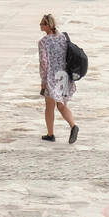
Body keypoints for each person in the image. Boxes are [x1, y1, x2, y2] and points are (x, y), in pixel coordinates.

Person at [38, 13, 79, 144]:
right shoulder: (63, 38)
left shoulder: (43, 42)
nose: (40, 26)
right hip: (65, 75)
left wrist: (43, 82)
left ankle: (50, 134)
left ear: (47, 26)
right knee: (61, 105)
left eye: (41, 24)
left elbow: (44, 63)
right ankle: (73, 125)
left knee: (49, 106)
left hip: (52, 76)